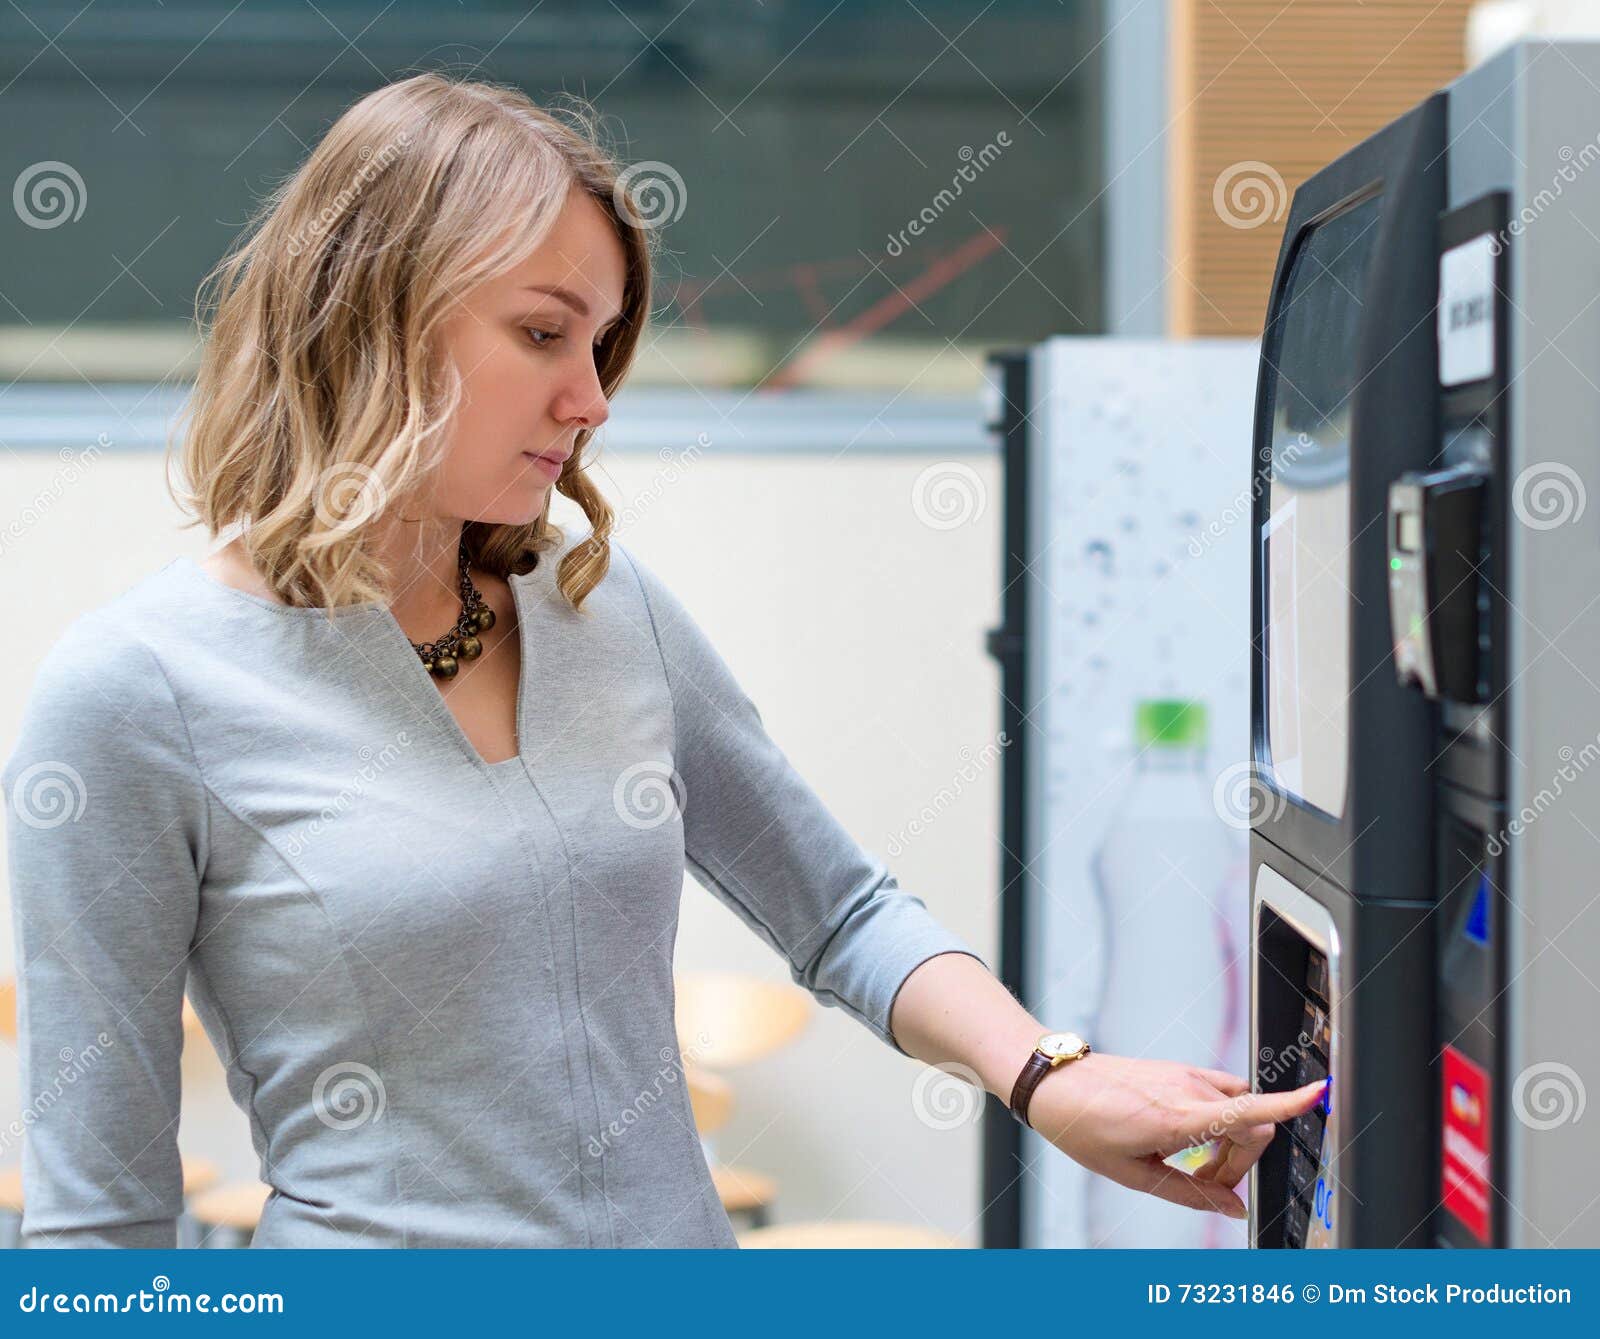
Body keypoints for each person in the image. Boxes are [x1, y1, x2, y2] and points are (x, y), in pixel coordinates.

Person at [0, 72, 1324, 1249]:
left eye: (603, 343)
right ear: (372, 316)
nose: (591, 399)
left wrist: (1048, 1077)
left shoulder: (597, 608)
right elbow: (101, 1228)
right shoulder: (136, 694)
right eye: (542, 333)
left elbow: (843, 911)